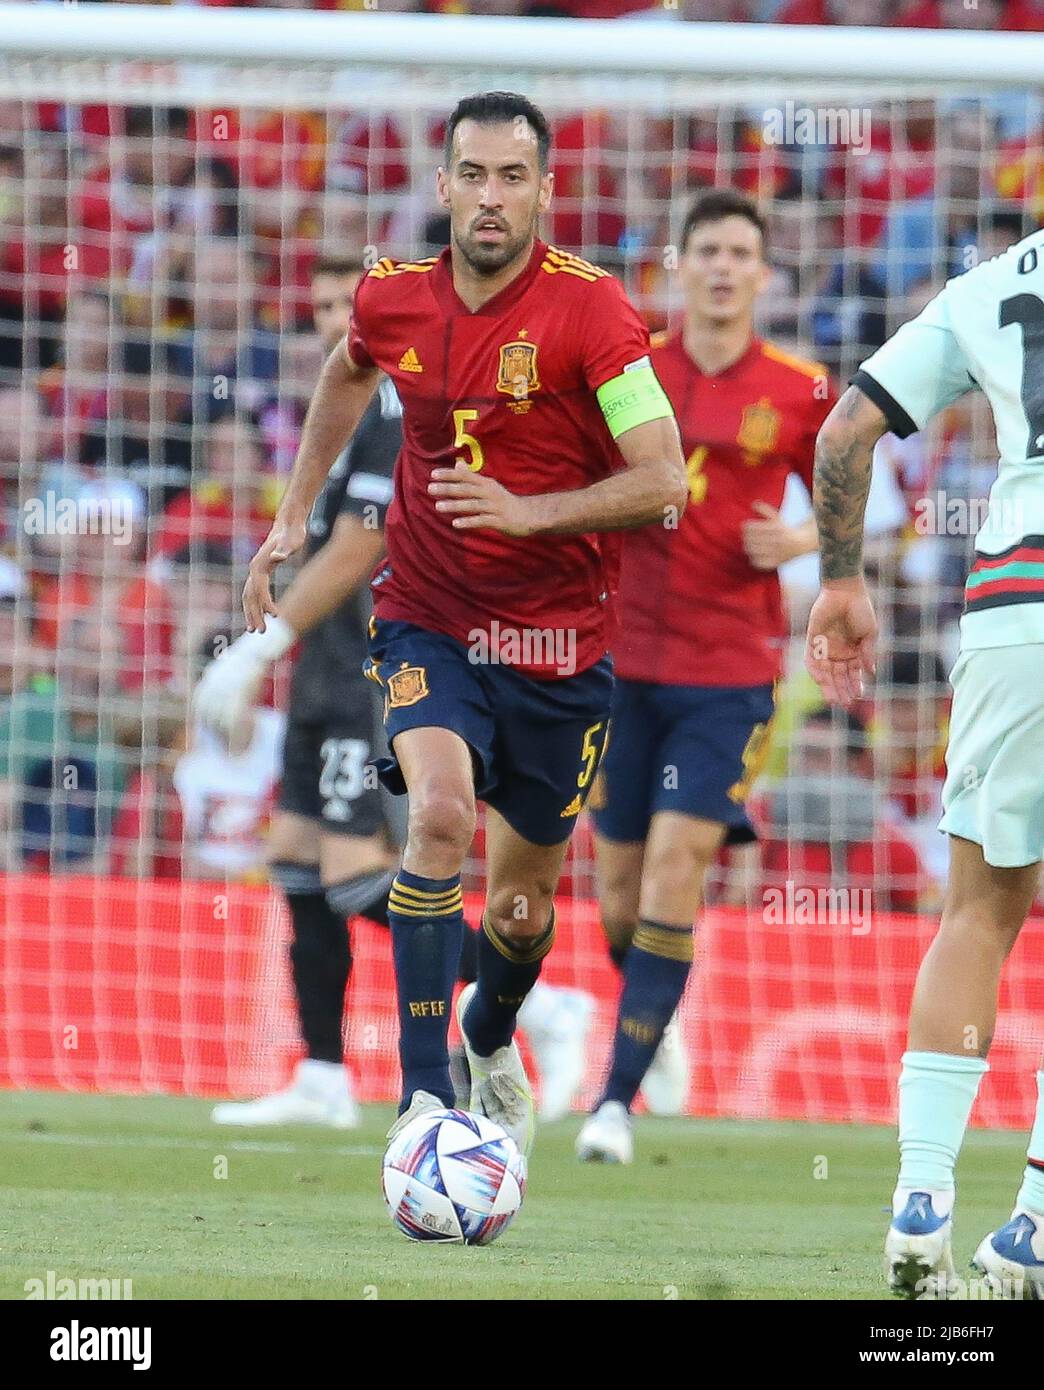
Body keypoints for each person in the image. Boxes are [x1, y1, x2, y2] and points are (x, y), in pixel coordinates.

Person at [242, 91, 687, 1158]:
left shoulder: (593, 314)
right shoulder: (392, 298)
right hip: (429, 619)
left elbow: (665, 478)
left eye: (513, 177)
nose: (492, 198)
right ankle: (422, 1098)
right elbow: (348, 370)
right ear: (441, 185)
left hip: (559, 650)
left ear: (544, 188)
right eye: (474, 175)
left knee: (523, 911)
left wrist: (534, 514)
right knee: (439, 817)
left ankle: (494, 1031)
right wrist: (294, 513)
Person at [198, 252, 595, 1129]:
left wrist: (263, 647)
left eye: (350, 300)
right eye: (323, 305)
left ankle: (543, 1002)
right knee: (297, 857)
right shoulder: (337, 409)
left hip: (366, 667)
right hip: (320, 672)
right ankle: (324, 1075)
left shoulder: (393, 403)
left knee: (348, 871)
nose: (340, 319)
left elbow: (363, 542)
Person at [805, 222, 1044, 1298]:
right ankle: (1035, 1223)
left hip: (1011, 617)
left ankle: (920, 1198)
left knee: (978, 912)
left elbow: (846, 433)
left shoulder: (989, 284)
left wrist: (844, 581)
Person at [577, 189, 833, 1163]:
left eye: (741, 252)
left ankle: (614, 1102)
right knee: (616, 894)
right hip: (617, 663)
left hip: (729, 673)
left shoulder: (802, 386)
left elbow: (874, 495)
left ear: (765, 274)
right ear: (677, 266)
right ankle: (658, 1016)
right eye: (708, 251)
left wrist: (807, 534)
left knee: (678, 871)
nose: (724, 267)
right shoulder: (629, 369)